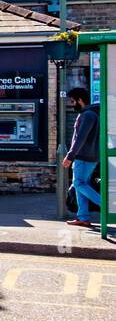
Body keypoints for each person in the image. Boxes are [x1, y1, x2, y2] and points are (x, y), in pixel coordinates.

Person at [62, 86, 101, 228]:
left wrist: (70, 156)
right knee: (81, 185)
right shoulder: (95, 113)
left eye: (73, 101)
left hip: (83, 157)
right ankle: (83, 217)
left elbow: (80, 138)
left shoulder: (87, 115)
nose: (73, 105)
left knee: (78, 183)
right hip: (91, 156)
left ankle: (107, 206)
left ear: (80, 100)